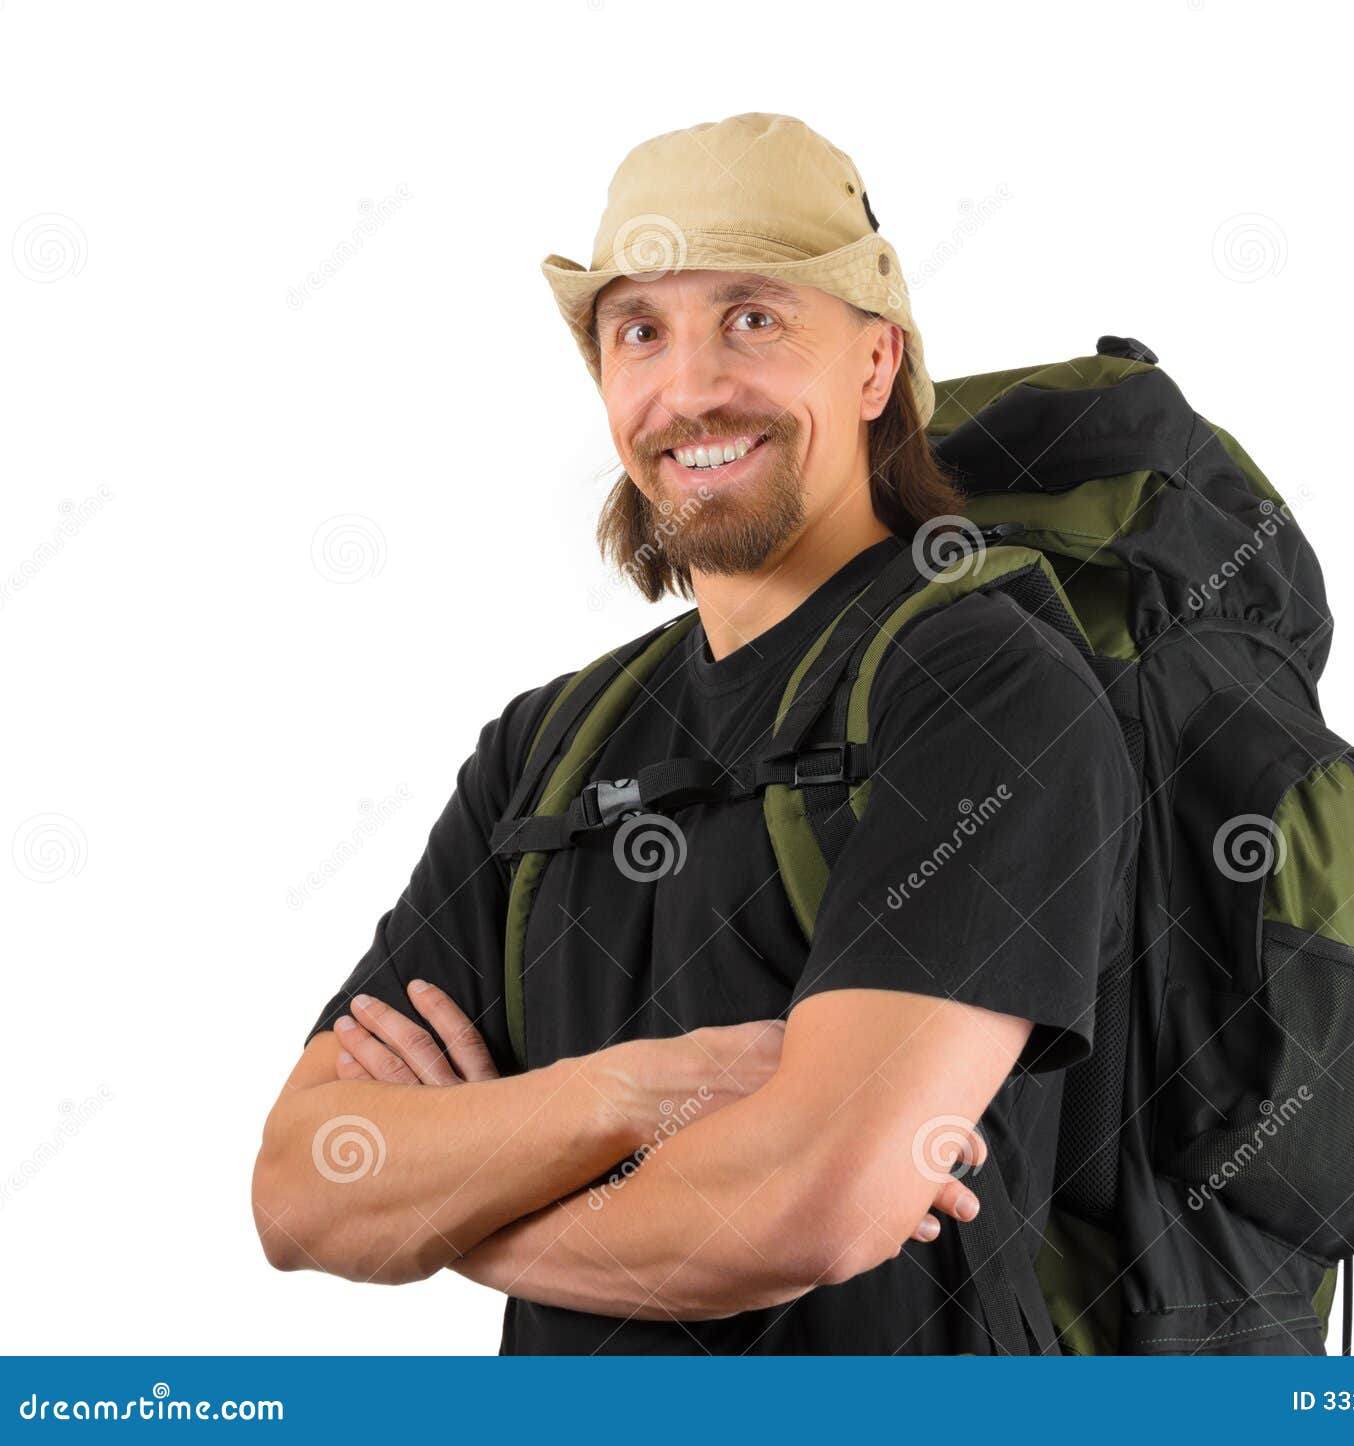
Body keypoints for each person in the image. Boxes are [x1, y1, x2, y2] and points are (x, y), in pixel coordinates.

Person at [252, 112, 1137, 1354]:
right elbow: (301, 1189)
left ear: (877, 365)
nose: (692, 388)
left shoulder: (987, 689)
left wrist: (460, 1208)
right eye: (639, 333)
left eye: (754, 319)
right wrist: (624, 1094)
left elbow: (803, 1210)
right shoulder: (545, 746)